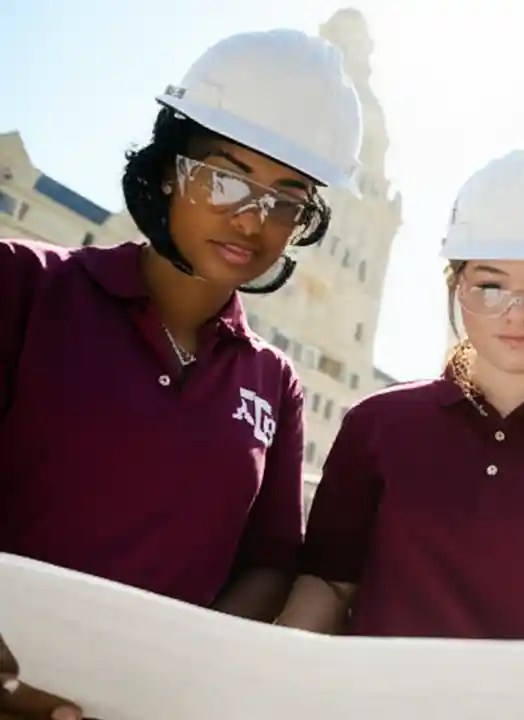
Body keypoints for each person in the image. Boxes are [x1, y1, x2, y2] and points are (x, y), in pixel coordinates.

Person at [0, 28, 362, 719]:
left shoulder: (274, 384)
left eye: (286, 199)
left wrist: (176, 680)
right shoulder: (22, 285)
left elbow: (268, 564)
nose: (252, 218)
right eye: (226, 176)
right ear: (170, 168)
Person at [276, 131, 524, 640]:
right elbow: (329, 587)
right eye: (490, 285)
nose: (519, 311)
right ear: (456, 288)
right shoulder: (377, 426)